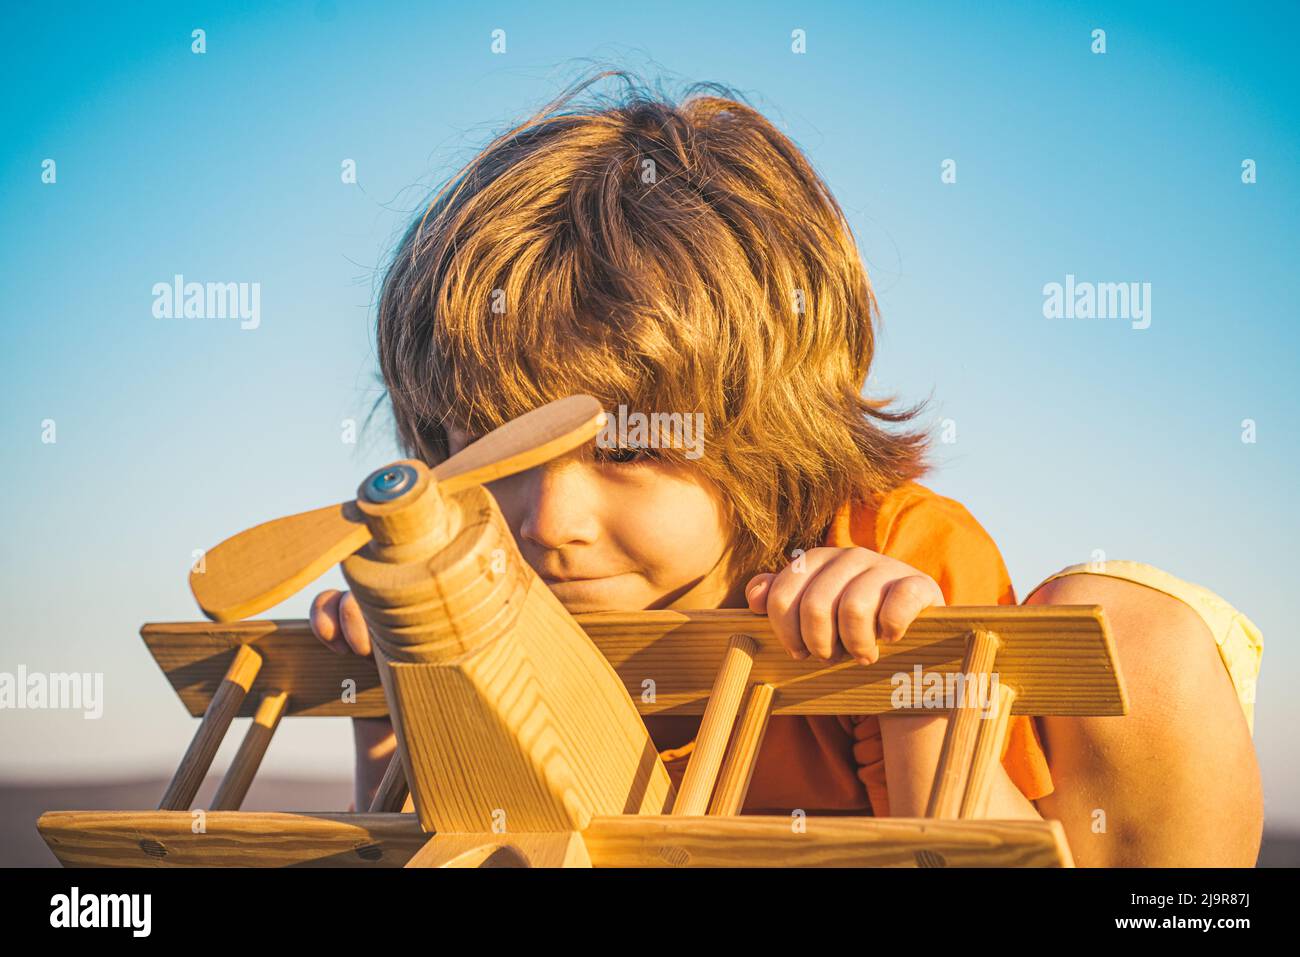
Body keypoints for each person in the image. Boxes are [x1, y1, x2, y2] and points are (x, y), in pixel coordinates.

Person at [310, 71, 1263, 866]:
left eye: (629, 449)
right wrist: (401, 695)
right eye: (498, 447)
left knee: (1133, 628)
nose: (548, 519)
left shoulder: (897, 552)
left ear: (767, 429)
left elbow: (972, 849)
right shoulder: (496, 598)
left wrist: (914, 682)